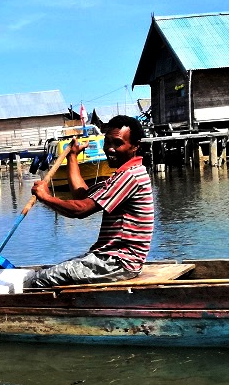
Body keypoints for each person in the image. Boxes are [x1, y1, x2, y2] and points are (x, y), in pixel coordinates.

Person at [26, 115, 153, 288]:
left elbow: (80, 210)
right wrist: (72, 157)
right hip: (111, 259)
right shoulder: (125, 174)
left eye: (117, 143)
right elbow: (82, 196)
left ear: (135, 147)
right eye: (107, 142)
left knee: (37, 281)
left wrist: (46, 197)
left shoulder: (130, 176)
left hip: (117, 262)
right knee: (50, 272)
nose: (109, 148)